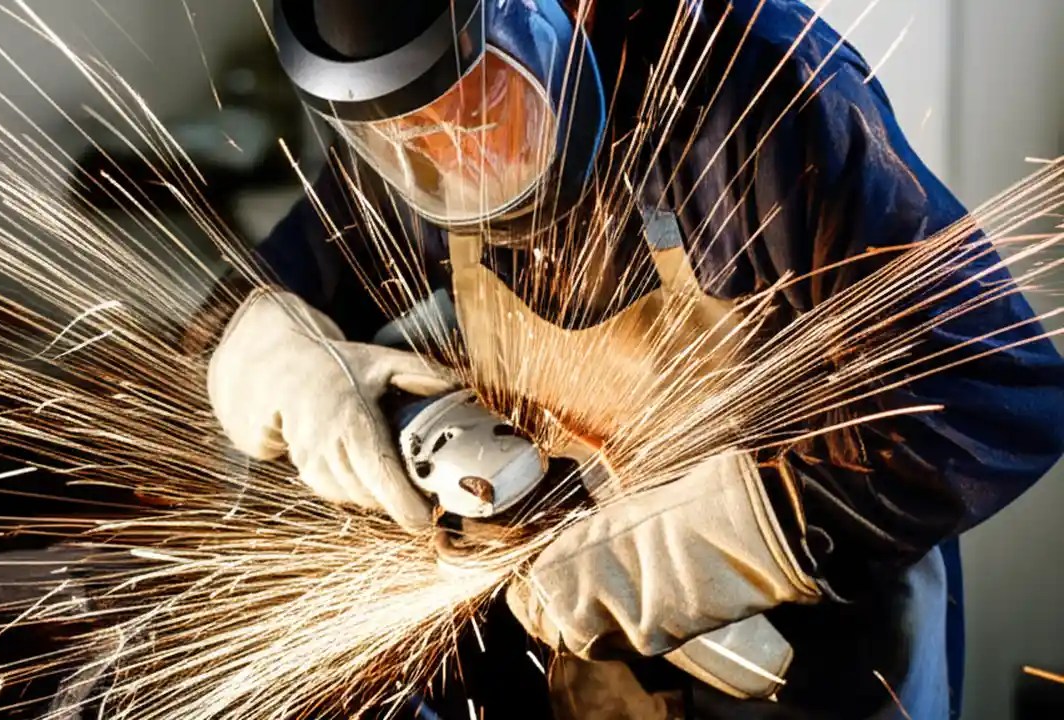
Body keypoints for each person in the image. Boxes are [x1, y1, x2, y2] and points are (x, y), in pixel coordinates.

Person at [194, 1, 1064, 718]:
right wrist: (273, 352)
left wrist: (690, 547)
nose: (460, 156)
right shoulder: (422, 135)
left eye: (479, 103)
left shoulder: (757, 92)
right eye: (410, 137)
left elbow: (996, 399)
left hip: (811, 674)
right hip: (587, 682)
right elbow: (234, 308)